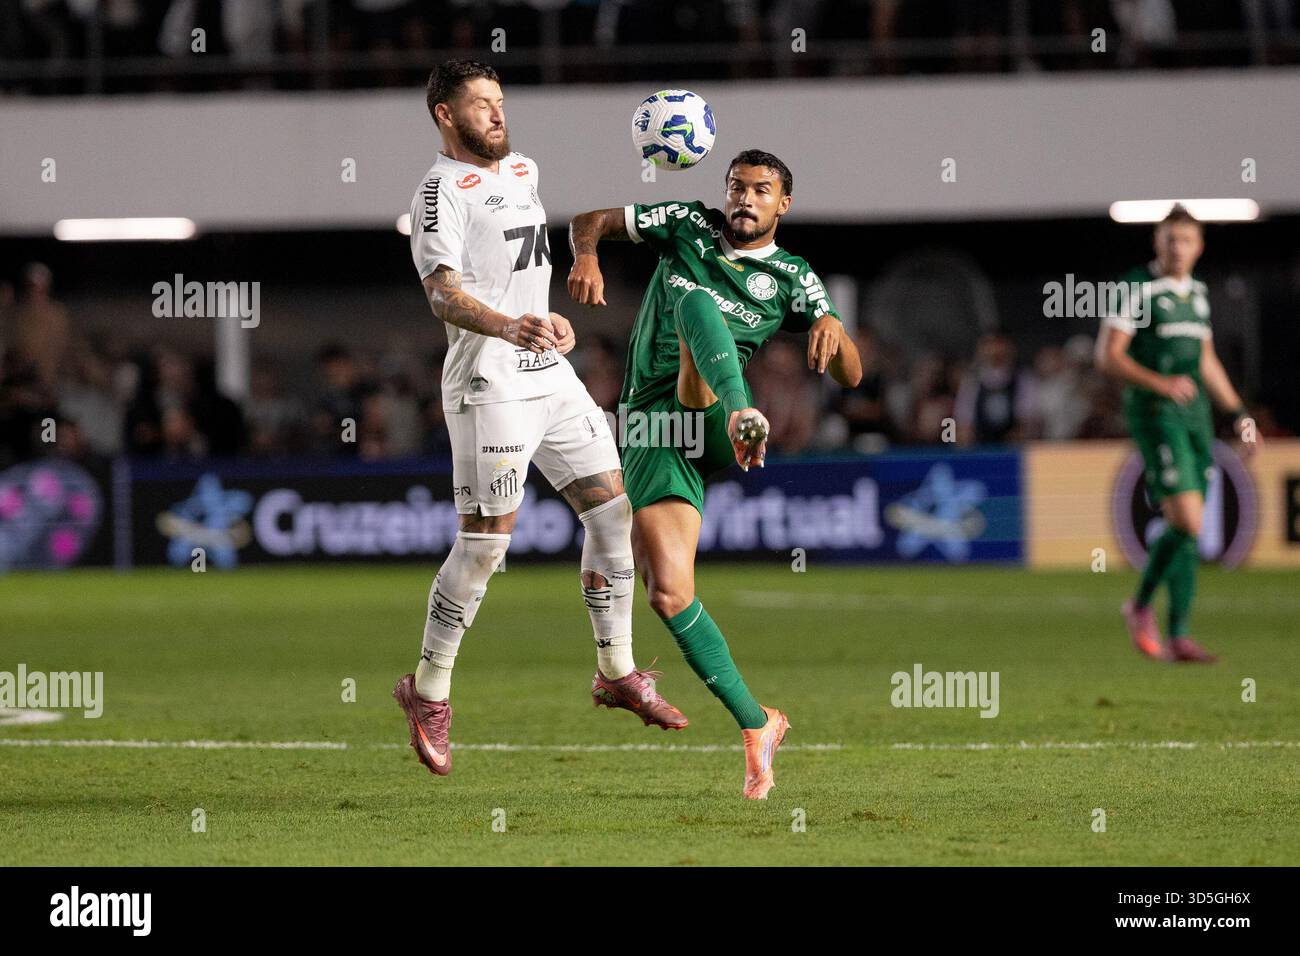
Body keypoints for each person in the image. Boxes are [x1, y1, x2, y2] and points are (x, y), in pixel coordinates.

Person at [392, 60, 685, 778]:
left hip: (547, 371)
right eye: (481, 105)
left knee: (612, 509)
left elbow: (521, 271)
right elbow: (443, 296)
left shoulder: (522, 169)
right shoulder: (438, 193)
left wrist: (548, 319)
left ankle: (615, 670)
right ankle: (427, 691)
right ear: (444, 115)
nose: (497, 113)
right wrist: (506, 326)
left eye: (499, 101)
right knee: (488, 544)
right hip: (488, 383)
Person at [568, 149, 862, 798]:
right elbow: (589, 219)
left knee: (696, 306)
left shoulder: (793, 275)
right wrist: (586, 252)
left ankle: (740, 411)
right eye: (737, 187)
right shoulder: (685, 224)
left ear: (782, 204)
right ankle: (759, 724)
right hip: (651, 429)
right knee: (667, 594)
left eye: (761, 190)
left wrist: (833, 325)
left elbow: (852, 376)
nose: (745, 199)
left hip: (722, 426)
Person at [1096, 204, 1257, 664]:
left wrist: (1240, 413)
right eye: (1169, 239)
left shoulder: (1198, 294)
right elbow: (1107, 357)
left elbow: (1206, 362)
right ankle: (1141, 604)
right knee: (1187, 520)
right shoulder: (1136, 287)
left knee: (1187, 527)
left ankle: (1180, 634)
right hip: (1155, 413)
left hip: (1196, 416)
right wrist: (1160, 382)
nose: (1177, 248)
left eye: (1185, 240)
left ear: (1199, 246)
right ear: (1156, 242)